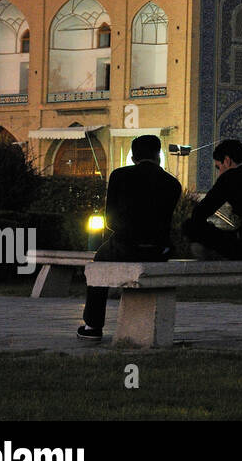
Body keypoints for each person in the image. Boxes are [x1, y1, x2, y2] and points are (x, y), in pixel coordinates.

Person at [78, 134, 181, 341]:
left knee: (99, 263)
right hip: (158, 250)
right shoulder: (172, 183)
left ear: (133, 157)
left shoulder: (119, 176)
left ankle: (93, 325)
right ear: (158, 155)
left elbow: (110, 221)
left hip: (126, 246)